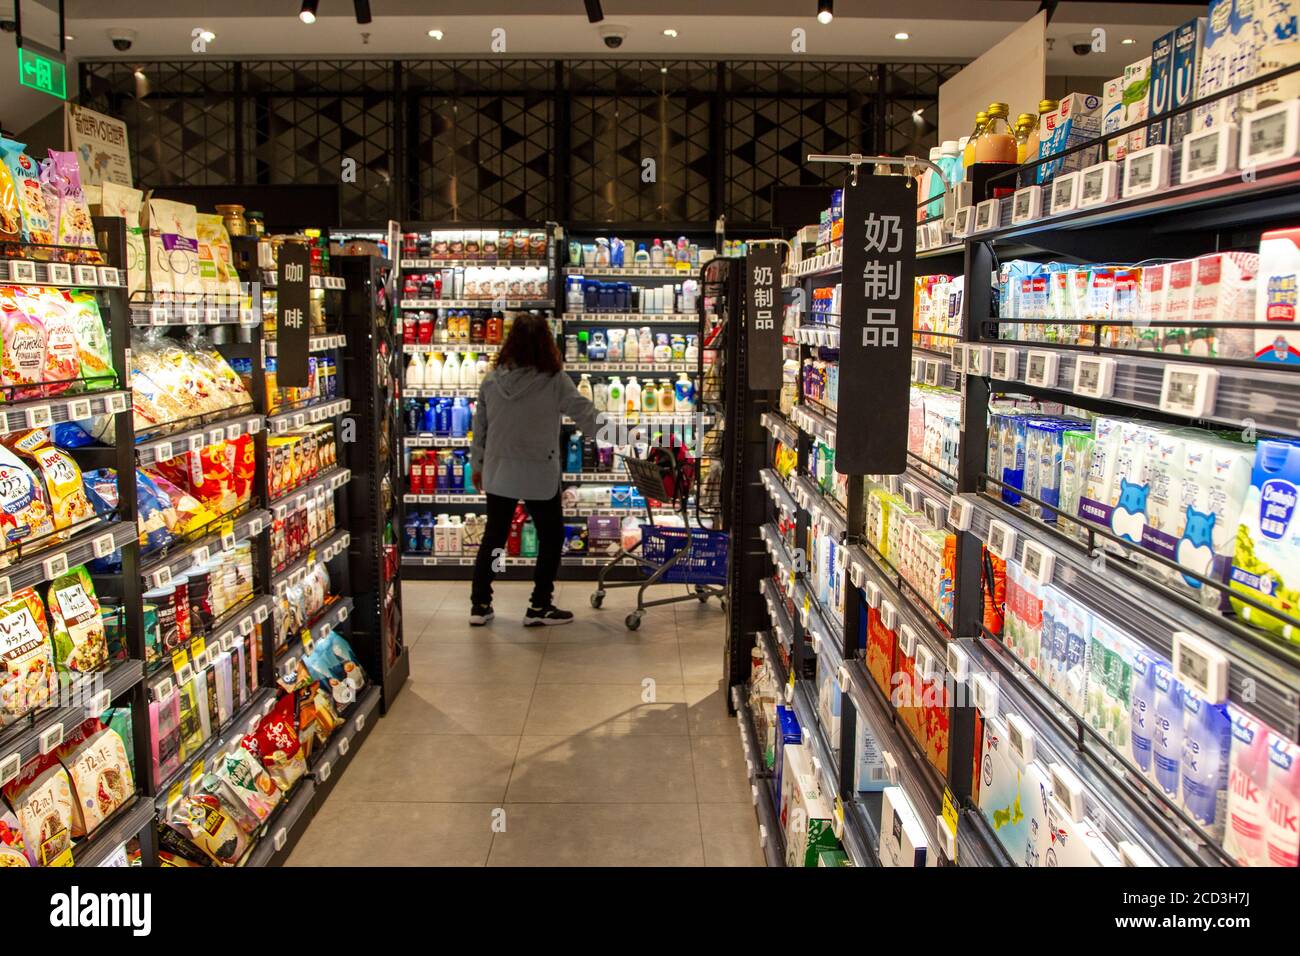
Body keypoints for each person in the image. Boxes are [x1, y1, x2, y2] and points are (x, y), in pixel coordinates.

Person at [469, 314, 599, 626]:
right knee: (551, 538)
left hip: (499, 472)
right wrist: (627, 436)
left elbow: (480, 429)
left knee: (494, 538)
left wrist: (477, 466)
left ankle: (480, 604)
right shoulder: (554, 381)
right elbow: (587, 415)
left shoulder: (491, 380)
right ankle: (539, 605)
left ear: (511, 342)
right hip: (539, 472)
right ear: (546, 343)